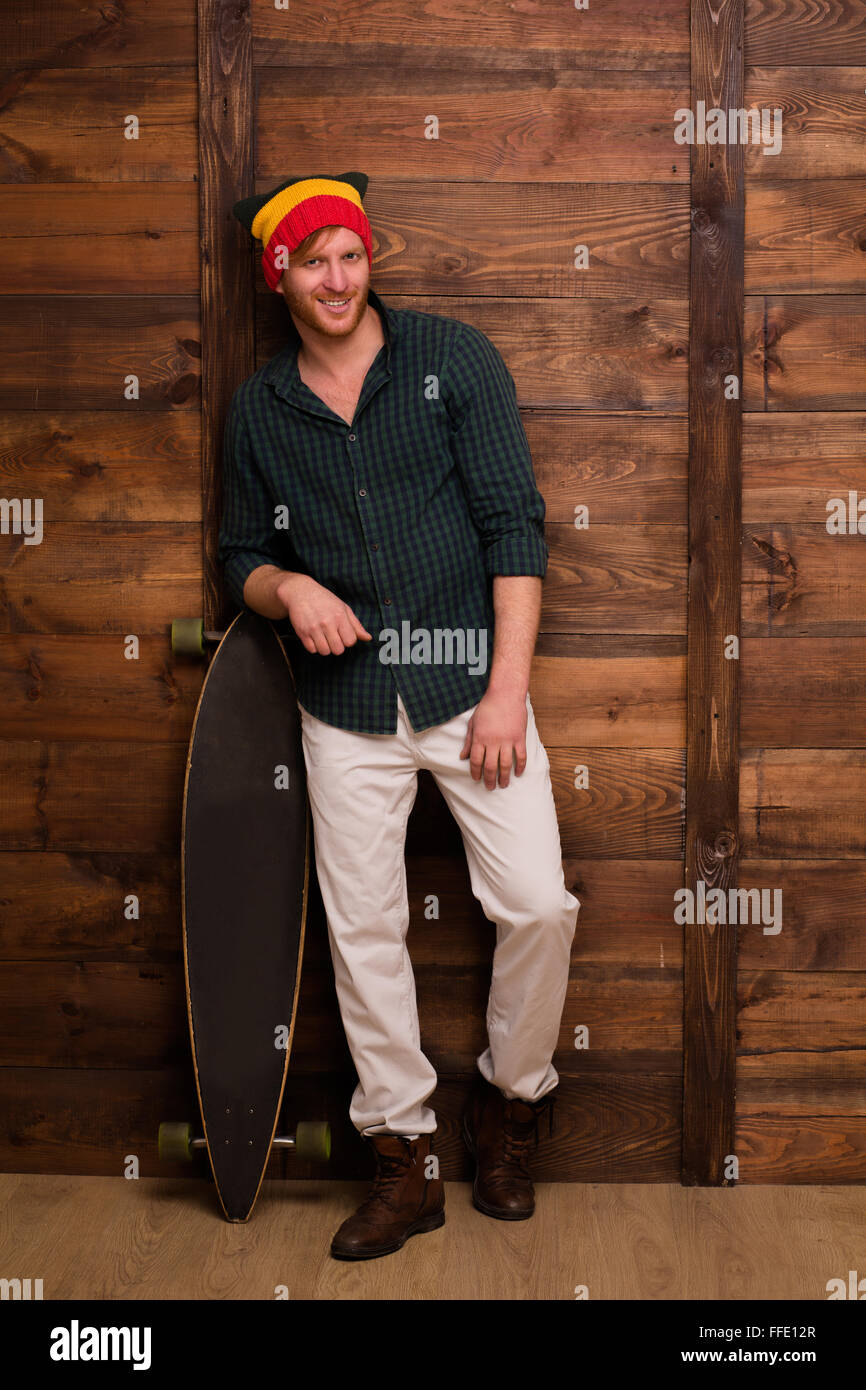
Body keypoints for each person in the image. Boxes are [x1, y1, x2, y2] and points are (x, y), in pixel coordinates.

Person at [220, 172, 580, 1261]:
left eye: (349, 254)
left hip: (473, 684)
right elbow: (241, 554)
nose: (335, 278)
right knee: (364, 931)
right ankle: (405, 1157)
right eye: (311, 259)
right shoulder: (260, 410)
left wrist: (507, 688)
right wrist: (285, 591)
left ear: (371, 259)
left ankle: (511, 1105)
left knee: (537, 903)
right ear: (278, 275)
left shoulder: (450, 360)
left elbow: (513, 527)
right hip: (340, 710)